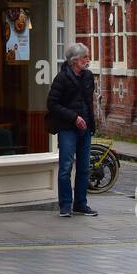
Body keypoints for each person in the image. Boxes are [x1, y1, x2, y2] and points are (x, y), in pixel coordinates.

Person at [47, 42, 98, 217]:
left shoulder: (88, 76)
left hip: (85, 130)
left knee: (84, 168)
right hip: (67, 128)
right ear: (74, 60)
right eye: (85, 57)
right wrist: (74, 117)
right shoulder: (61, 78)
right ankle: (65, 205)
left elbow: (88, 103)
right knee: (66, 167)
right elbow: (52, 104)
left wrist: (91, 124)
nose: (87, 60)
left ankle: (81, 204)